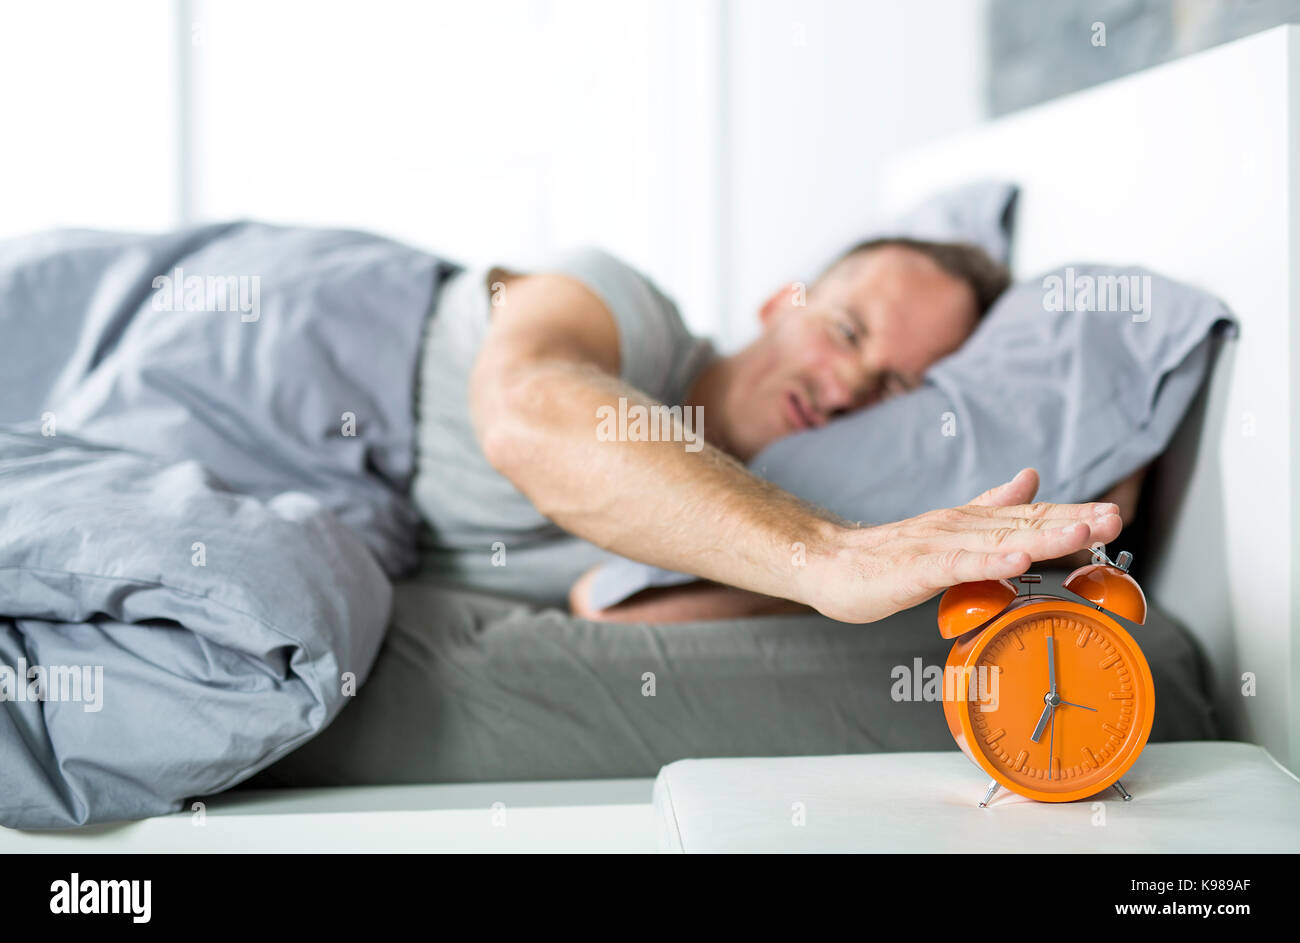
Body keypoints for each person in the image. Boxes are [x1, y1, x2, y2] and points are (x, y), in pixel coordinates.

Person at [410, 236, 1131, 624]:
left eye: (893, 387)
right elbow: (525, 415)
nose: (848, 387)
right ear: (778, 303)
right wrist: (828, 557)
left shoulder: (737, 521)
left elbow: (604, 609)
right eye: (845, 332)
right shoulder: (623, 308)